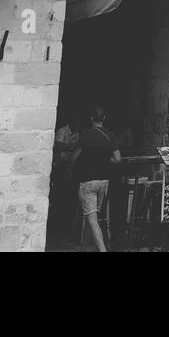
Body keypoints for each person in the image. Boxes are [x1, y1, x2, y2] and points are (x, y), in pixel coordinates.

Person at [72, 105, 121, 252]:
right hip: (103, 182)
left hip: (87, 181)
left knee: (92, 219)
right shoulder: (111, 136)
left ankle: (102, 250)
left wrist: (71, 167)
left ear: (91, 119)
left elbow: (75, 156)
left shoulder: (85, 134)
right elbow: (118, 159)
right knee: (91, 215)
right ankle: (85, 248)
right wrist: (105, 160)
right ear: (104, 118)